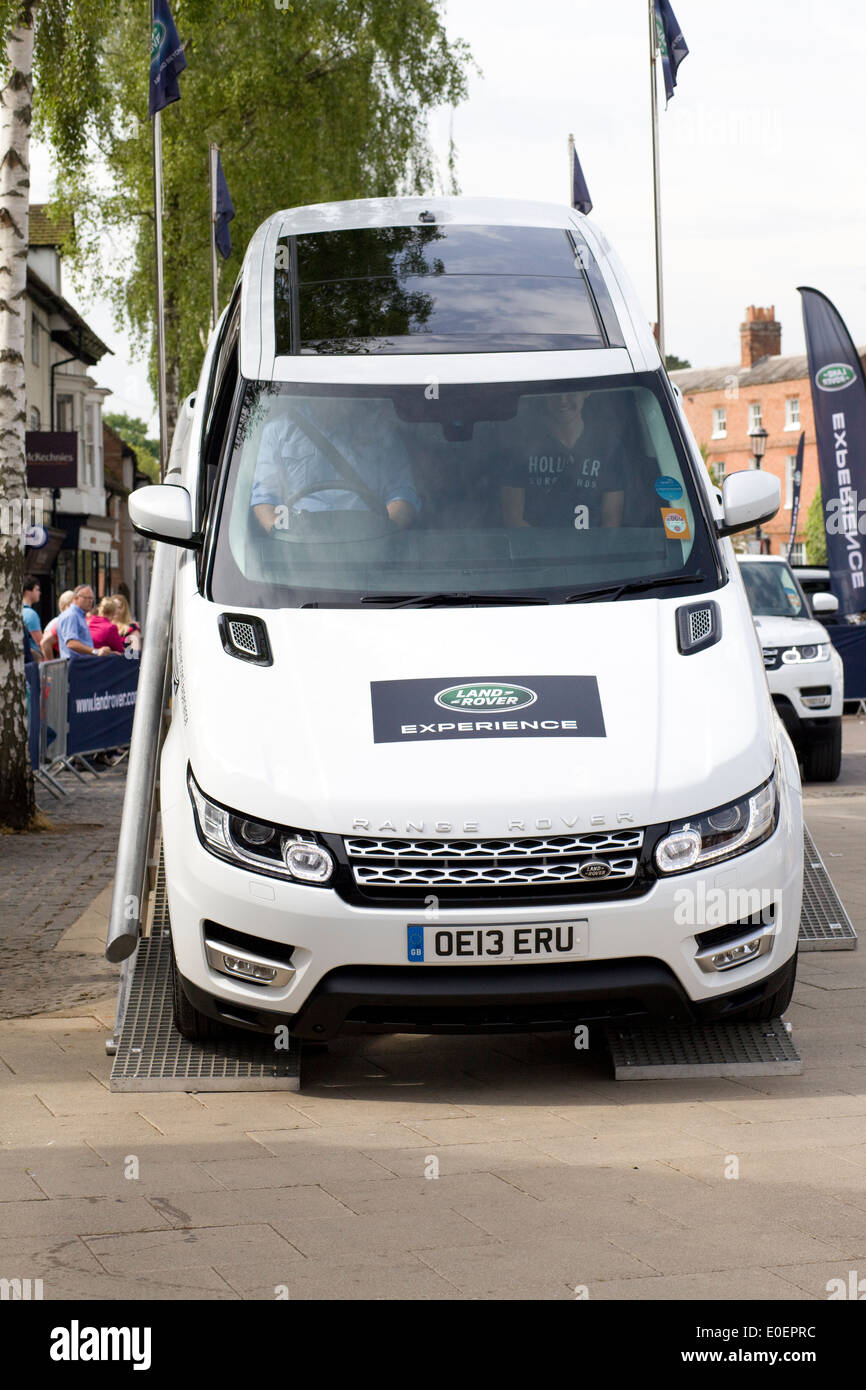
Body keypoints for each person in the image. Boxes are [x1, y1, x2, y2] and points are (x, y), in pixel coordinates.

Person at [250, 397, 419, 533]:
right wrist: (282, 538)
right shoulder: (277, 431)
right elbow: (265, 498)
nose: (336, 401)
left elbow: (401, 495)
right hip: (300, 542)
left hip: (367, 540)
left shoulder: (379, 432)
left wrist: (384, 535)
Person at [500, 392, 625, 529]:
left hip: (593, 549)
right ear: (546, 395)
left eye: (571, 392)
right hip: (534, 549)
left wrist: (591, 548)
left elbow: (611, 522)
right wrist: (544, 548)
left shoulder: (606, 448)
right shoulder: (522, 448)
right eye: (555, 393)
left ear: (586, 393)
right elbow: (512, 518)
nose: (562, 400)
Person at [56, 585, 115, 659]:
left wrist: (110, 653)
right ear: (76, 598)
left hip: (81, 664)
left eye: (91, 598)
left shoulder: (79, 615)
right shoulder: (71, 615)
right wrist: (95, 651)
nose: (90, 601)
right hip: (76, 665)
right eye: (87, 598)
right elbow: (71, 643)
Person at [40, 590, 75, 661]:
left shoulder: (56, 621)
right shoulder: (59, 622)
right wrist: (52, 665)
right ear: (67, 605)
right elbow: (45, 643)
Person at [110, 592, 142, 656]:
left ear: (125, 609)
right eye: (113, 607)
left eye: (119, 607)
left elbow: (135, 653)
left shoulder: (132, 627)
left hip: (124, 663)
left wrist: (118, 651)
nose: (116, 610)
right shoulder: (104, 625)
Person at [22, 575, 44, 662]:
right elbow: (40, 642)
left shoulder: (19, 611)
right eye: (37, 589)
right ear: (28, 591)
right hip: (33, 660)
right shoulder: (31, 614)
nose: (39, 593)